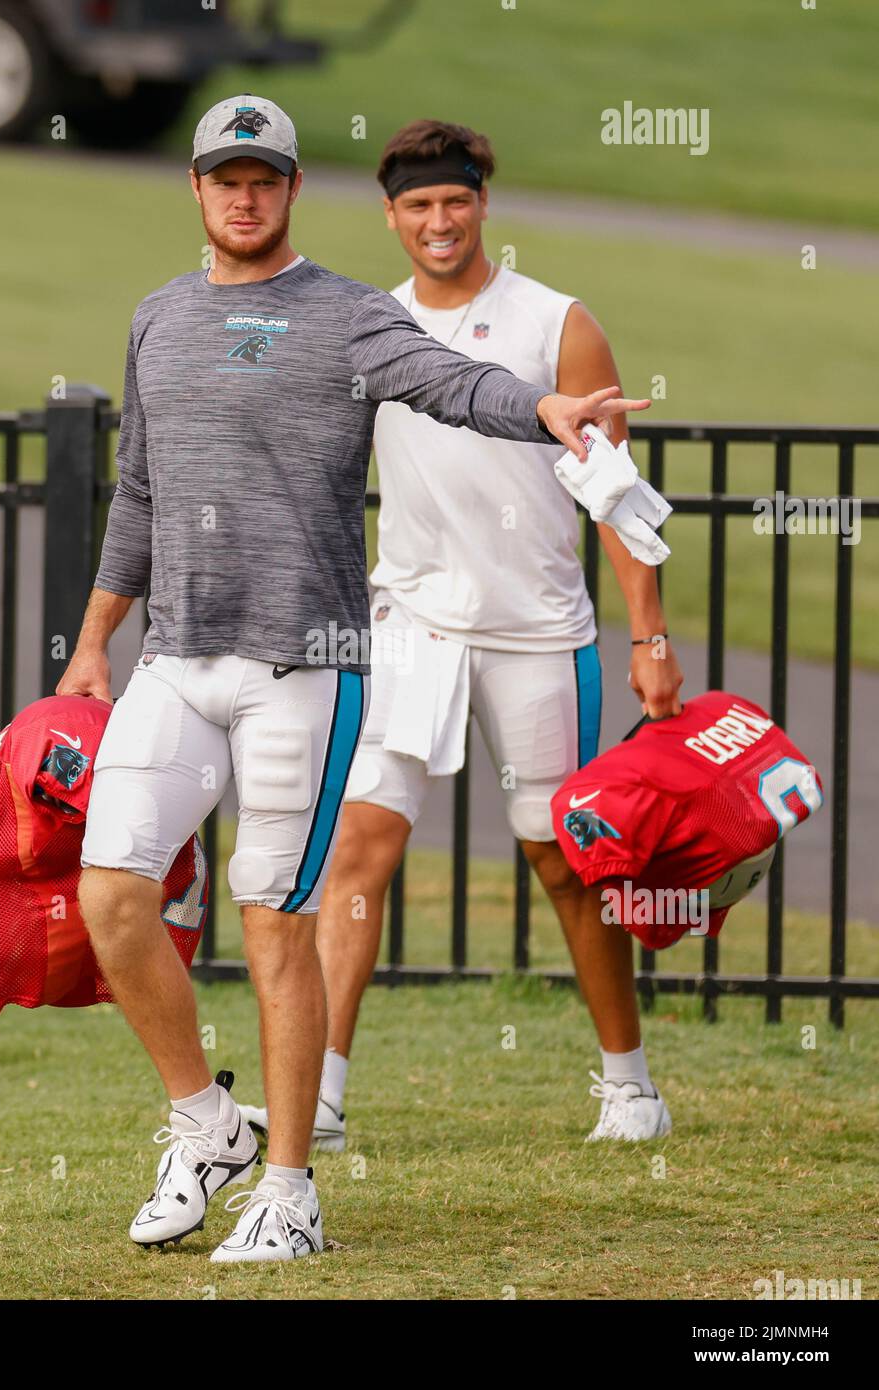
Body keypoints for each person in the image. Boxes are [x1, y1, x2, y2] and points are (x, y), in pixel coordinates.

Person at [56, 94, 651, 1264]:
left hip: (306, 667)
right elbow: (139, 492)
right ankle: (207, 1124)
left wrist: (539, 404)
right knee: (110, 896)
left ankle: (290, 1191)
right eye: (224, 178)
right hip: (175, 658)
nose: (244, 196)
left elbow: (449, 382)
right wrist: (91, 641)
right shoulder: (158, 317)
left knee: (274, 922)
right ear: (195, 189)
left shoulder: (344, 317)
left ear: (288, 189)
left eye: (264, 178)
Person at [240, 119, 684, 1155]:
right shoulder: (367, 326)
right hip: (408, 630)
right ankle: (328, 1097)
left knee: (563, 864)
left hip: (538, 637)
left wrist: (648, 637)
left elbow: (613, 495)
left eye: (455, 202)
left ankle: (629, 1085)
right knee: (358, 849)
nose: (438, 223)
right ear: (390, 216)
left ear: (482, 203)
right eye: (417, 207)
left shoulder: (557, 322)